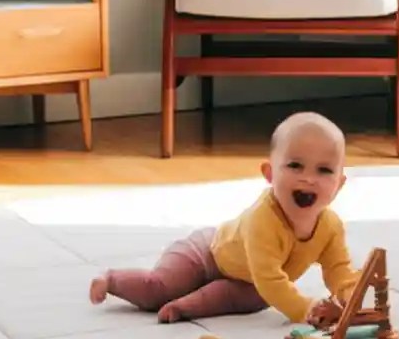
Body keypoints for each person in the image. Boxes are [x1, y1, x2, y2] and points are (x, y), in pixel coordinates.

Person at [89, 112, 358, 324]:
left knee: (248, 299)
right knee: (160, 288)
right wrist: (306, 309)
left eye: (324, 170)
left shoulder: (330, 227)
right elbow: (270, 278)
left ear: (340, 184)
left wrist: (349, 293)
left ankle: (185, 308)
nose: (308, 178)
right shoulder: (264, 219)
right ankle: (111, 279)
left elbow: (338, 268)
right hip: (207, 253)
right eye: (295, 165)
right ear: (269, 173)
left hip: (247, 282)